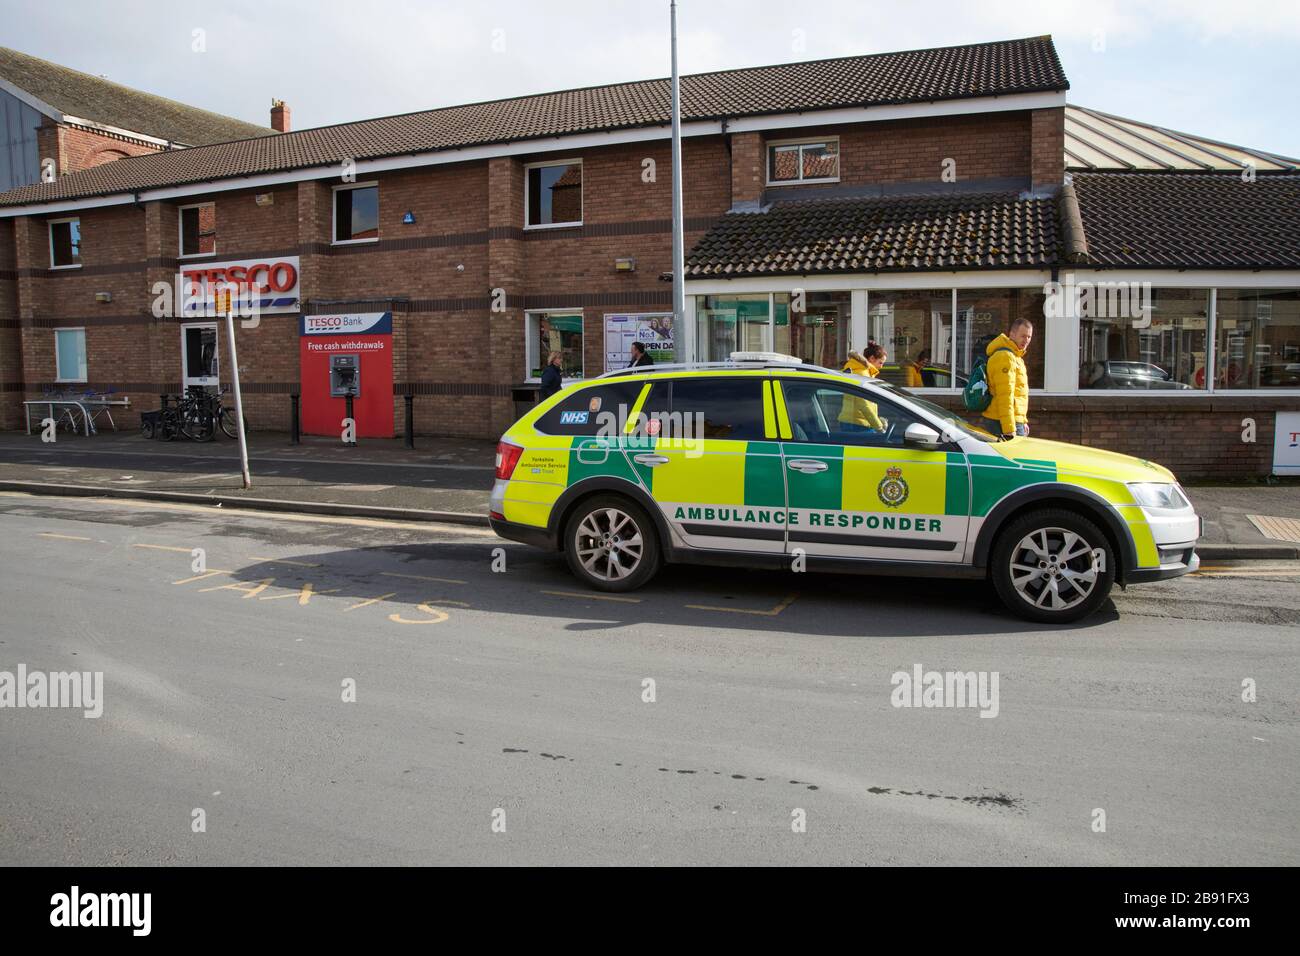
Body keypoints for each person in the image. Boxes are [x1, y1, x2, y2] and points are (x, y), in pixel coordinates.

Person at [982, 318, 1032, 440]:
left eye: (1029, 337)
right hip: (1003, 422)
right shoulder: (1006, 357)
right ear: (1012, 334)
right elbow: (1005, 396)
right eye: (1023, 336)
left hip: (1011, 420)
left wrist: (1023, 420)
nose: (1026, 340)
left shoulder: (1016, 356)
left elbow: (1017, 394)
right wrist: (1009, 429)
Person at [838, 342, 887, 433]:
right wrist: (878, 425)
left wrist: (877, 419)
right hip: (857, 424)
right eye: (880, 362)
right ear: (872, 358)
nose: (881, 366)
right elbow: (863, 403)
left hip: (854, 421)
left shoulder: (863, 372)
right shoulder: (862, 374)